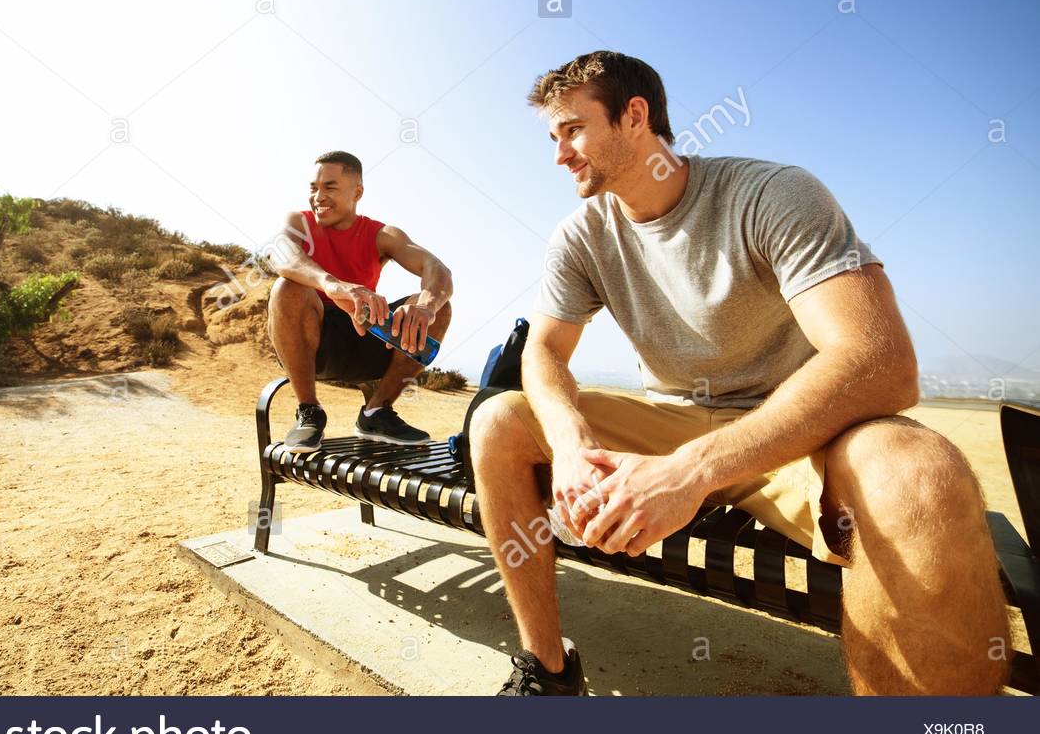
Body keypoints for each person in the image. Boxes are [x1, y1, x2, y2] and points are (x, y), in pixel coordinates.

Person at [473, 50, 1010, 696]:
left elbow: (880, 363)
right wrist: (568, 446)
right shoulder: (581, 235)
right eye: (553, 137)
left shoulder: (770, 193)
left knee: (918, 472)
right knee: (500, 418)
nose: (559, 154)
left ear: (635, 115)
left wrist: (690, 471)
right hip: (675, 418)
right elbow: (545, 354)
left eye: (572, 129)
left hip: (800, 434)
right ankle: (549, 668)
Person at [267, 150, 453, 451]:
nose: (318, 196)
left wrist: (426, 307)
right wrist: (333, 285)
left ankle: (376, 412)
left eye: (330, 187)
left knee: (439, 308)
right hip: (312, 346)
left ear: (357, 192)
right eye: (313, 188)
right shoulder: (298, 222)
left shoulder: (382, 235)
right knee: (287, 288)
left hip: (363, 338)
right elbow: (282, 255)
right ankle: (309, 411)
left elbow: (438, 270)